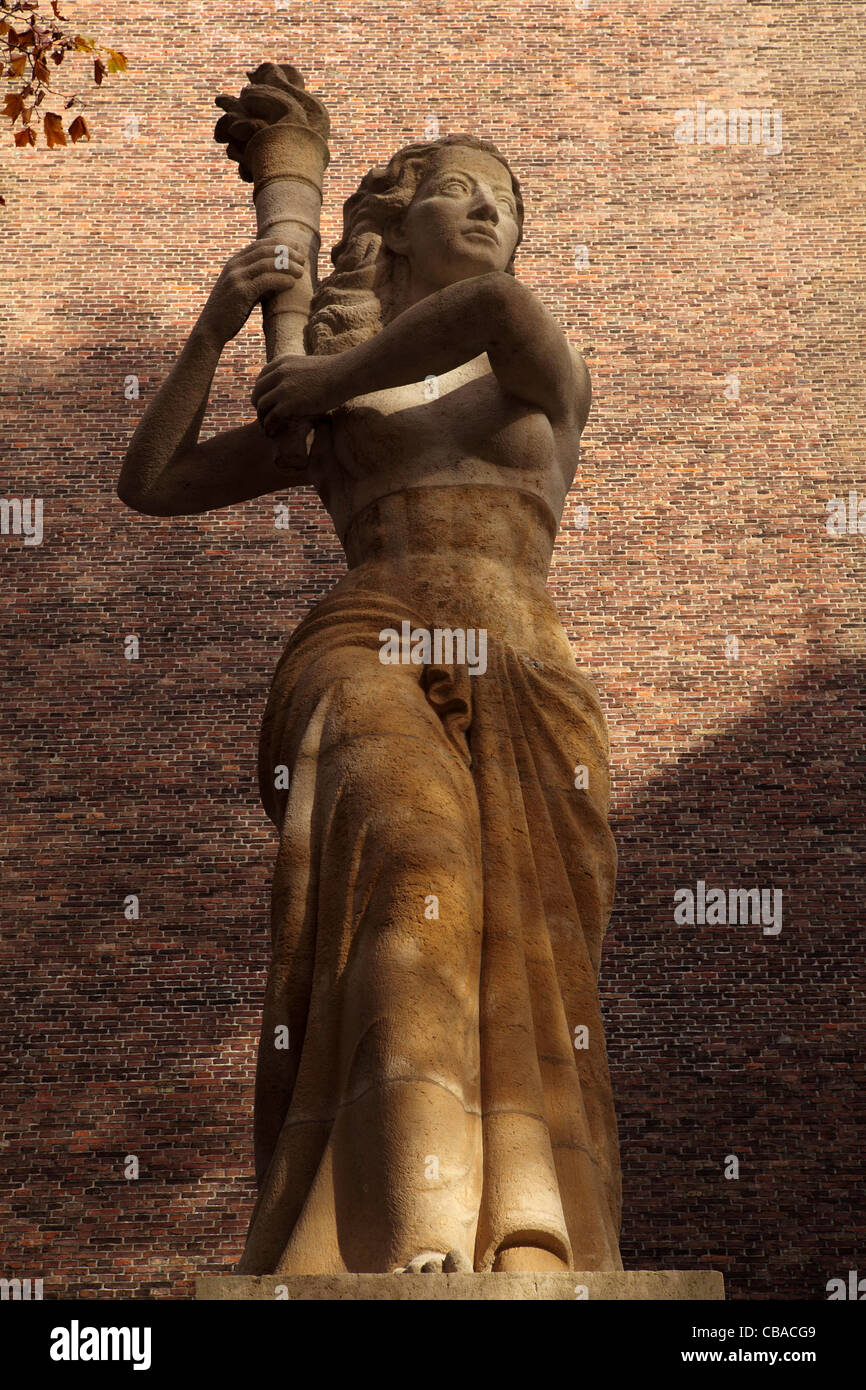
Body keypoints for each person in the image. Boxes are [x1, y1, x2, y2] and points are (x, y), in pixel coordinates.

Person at [118, 134, 622, 1276]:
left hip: (519, 662)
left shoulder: (535, 366)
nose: (488, 212)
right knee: (409, 868)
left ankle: (528, 1229)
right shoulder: (341, 414)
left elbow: (491, 304)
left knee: (525, 949)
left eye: (505, 198)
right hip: (370, 637)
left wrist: (325, 378)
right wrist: (216, 326)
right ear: (393, 229)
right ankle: (410, 1230)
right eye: (459, 193)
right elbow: (149, 483)